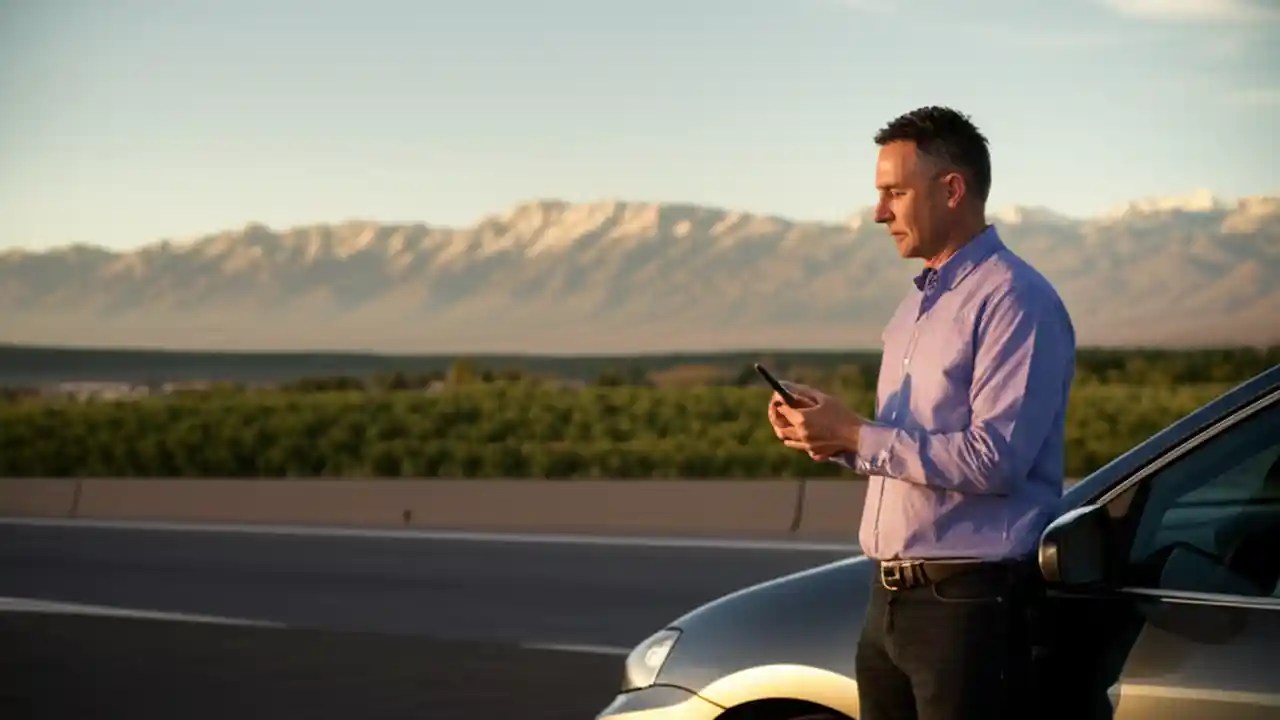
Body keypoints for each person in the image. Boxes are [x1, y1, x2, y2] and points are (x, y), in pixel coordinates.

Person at [768, 105, 1076, 720]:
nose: (879, 213)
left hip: (967, 609)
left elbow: (996, 460)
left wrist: (859, 431)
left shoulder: (1015, 300)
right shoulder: (914, 310)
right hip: (888, 607)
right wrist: (833, 437)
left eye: (894, 193)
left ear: (952, 189)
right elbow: (906, 454)